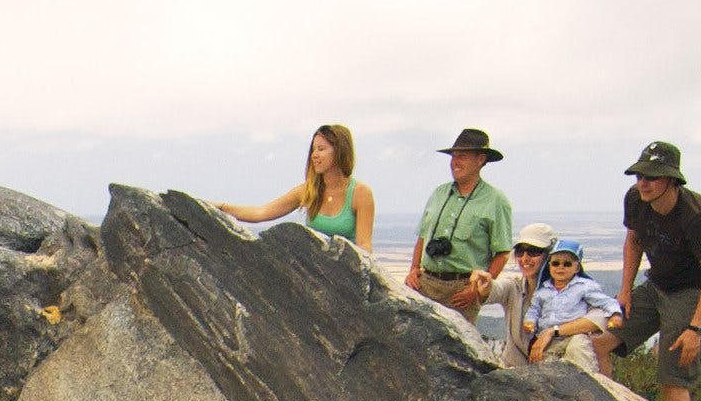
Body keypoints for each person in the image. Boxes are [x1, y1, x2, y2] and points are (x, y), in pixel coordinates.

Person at [610, 140, 701, 401]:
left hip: (694, 290)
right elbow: (634, 241)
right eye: (639, 176)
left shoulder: (695, 213)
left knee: (673, 373)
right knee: (601, 338)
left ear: (672, 179)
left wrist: (696, 329)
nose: (643, 184)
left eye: (652, 177)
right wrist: (626, 290)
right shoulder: (635, 200)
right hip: (658, 282)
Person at [217, 124, 378, 256]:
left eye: (321, 149)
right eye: (313, 150)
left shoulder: (361, 193)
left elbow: (364, 247)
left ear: (339, 151)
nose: (314, 155)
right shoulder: (307, 191)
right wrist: (220, 208)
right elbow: (261, 213)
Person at [405, 127, 513, 314]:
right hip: (426, 283)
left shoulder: (495, 200)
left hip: (462, 291)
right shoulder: (439, 193)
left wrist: (476, 290)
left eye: (461, 156)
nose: (455, 162)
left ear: (480, 160)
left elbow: (502, 252)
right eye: (453, 157)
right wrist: (414, 269)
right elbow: (423, 236)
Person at [524, 234, 621, 374]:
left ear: (577, 268)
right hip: (547, 339)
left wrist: (615, 314)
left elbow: (606, 302)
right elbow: (534, 309)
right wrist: (530, 322)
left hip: (575, 336)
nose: (560, 268)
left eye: (567, 264)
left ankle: (588, 383)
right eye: (556, 263)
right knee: (545, 368)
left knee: (579, 352)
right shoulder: (542, 291)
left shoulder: (584, 286)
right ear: (549, 266)